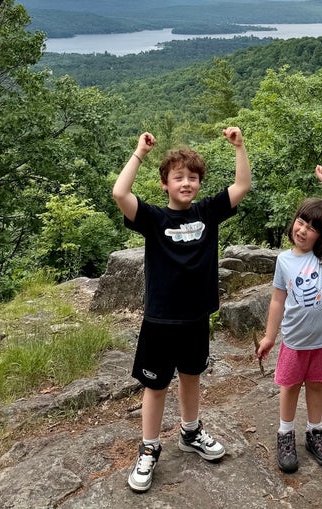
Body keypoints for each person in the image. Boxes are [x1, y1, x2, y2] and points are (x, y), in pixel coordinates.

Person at [112, 126, 251, 493]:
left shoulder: (207, 212)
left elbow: (241, 187)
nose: (186, 183)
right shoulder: (155, 219)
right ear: (165, 184)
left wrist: (240, 147)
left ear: (199, 183)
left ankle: (191, 432)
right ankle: (149, 447)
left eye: (192, 177)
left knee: (191, 376)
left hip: (196, 316)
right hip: (160, 317)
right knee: (155, 386)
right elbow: (120, 193)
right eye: (178, 177)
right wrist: (139, 153)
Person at [256, 165, 322, 474]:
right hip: (294, 339)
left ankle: (315, 433)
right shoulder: (284, 260)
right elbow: (277, 300)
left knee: (315, 384)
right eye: (300, 221)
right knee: (291, 386)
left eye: (312, 226)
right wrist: (269, 337)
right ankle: (285, 435)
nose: (303, 229)